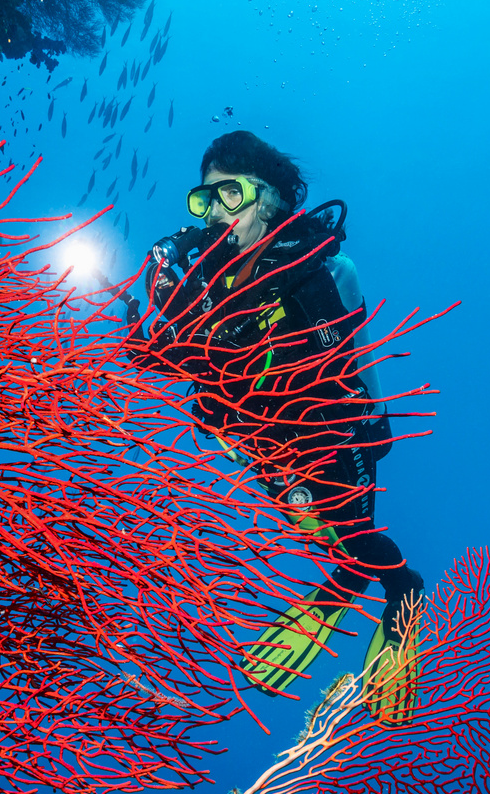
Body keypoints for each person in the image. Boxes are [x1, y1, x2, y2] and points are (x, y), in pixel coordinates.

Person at [124, 131, 424, 708]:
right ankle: (344, 582)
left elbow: (329, 358)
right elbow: (173, 355)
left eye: (229, 194)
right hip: (260, 441)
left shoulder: (316, 271)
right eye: (205, 199)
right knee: (314, 529)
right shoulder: (203, 274)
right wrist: (154, 343)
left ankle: (403, 590)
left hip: (332, 435)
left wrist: (226, 342)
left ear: (271, 199)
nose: (215, 211)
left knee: (355, 534)